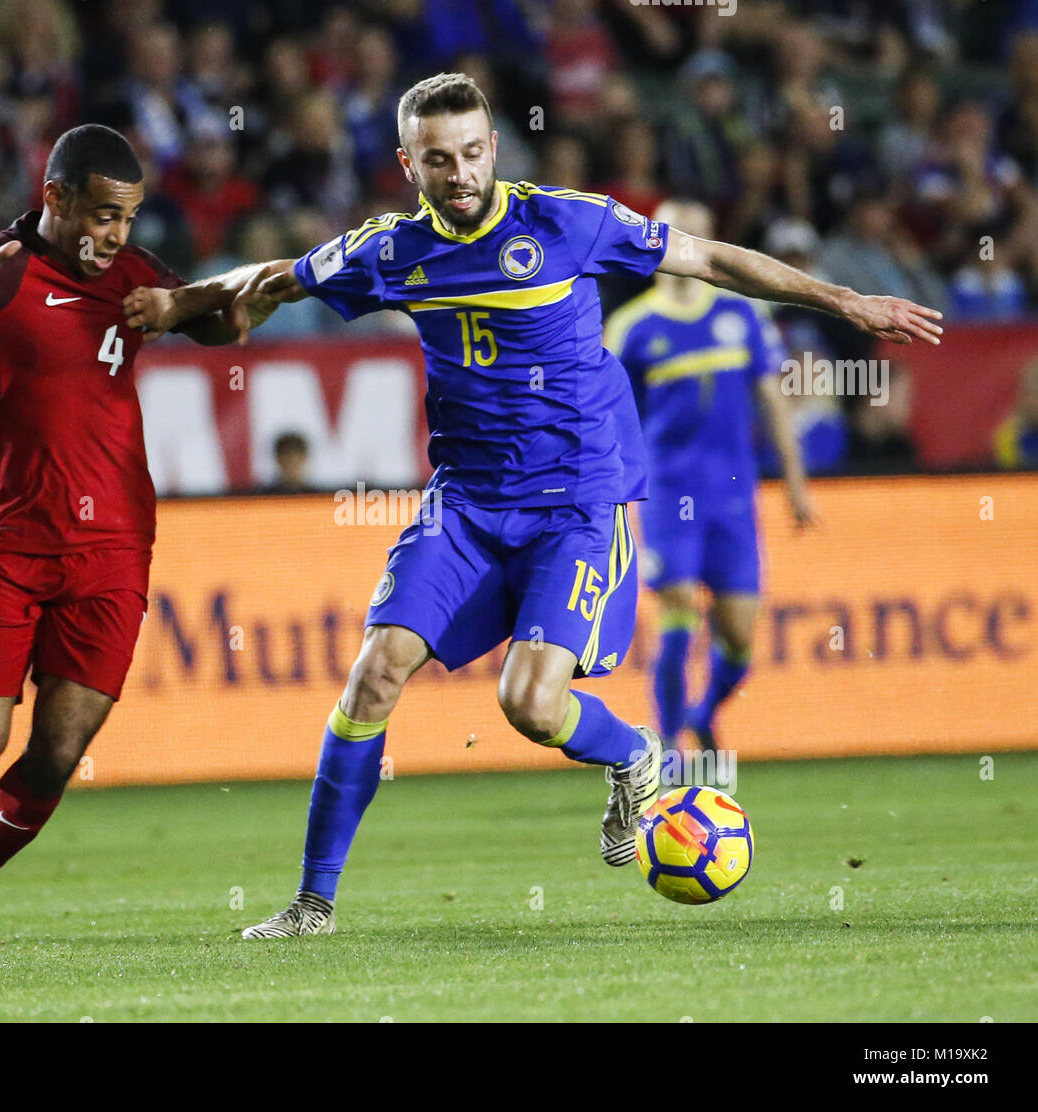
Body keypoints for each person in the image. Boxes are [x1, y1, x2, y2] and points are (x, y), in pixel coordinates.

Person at [125, 72, 942, 939]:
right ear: (410, 164)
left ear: (493, 148)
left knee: (529, 705)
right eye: (440, 159)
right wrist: (184, 301)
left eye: (475, 152)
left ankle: (635, 754)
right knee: (374, 671)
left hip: (577, 502)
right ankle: (313, 904)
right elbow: (281, 278)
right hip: (468, 504)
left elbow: (707, 258)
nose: (462, 172)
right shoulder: (391, 252)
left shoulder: (565, 220)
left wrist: (841, 299)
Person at [0, 123, 239, 946]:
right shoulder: (3, 266)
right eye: (101, 216)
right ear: (54, 197)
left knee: (58, 749)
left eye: (126, 218)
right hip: (11, 544)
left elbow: (224, 323)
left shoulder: (132, 274)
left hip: (116, 549)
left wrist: (183, 302)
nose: (114, 236)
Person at [605, 199, 814, 755]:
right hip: (669, 494)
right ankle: (667, 751)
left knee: (741, 636)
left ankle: (703, 712)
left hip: (733, 497)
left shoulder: (741, 314)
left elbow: (772, 400)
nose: (686, 243)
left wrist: (795, 481)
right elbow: (607, 413)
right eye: (676, 234)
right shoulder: (631, 326)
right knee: (676, 614)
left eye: (698, 233)